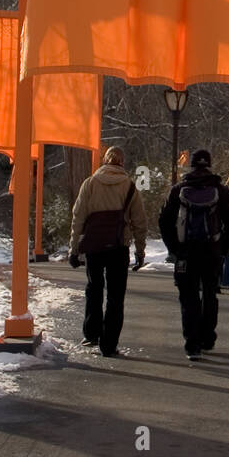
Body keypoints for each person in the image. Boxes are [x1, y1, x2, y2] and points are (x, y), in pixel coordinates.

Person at [159, 149, 229, 360]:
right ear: (209, 165)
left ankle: (192, 344)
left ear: (191, 165)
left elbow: (164, 221)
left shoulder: (178, 189)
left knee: (188, 297)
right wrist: (222, 248)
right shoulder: (220, 190)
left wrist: (175, 248)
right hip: (211, 251)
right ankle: (207, 338)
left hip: (186, 252)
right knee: (210, 295)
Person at [68, 146, 147, 357]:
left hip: (94, 246)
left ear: (104, 160)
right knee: (115, 295)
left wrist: (74, 249)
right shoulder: (130, 187)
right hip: (118, 246)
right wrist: (140, 251)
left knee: (94, 288)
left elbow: (78, 217)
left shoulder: (90, 183)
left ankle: (91, 333)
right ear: (122, 163)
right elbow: (139, 222)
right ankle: (109, 344)